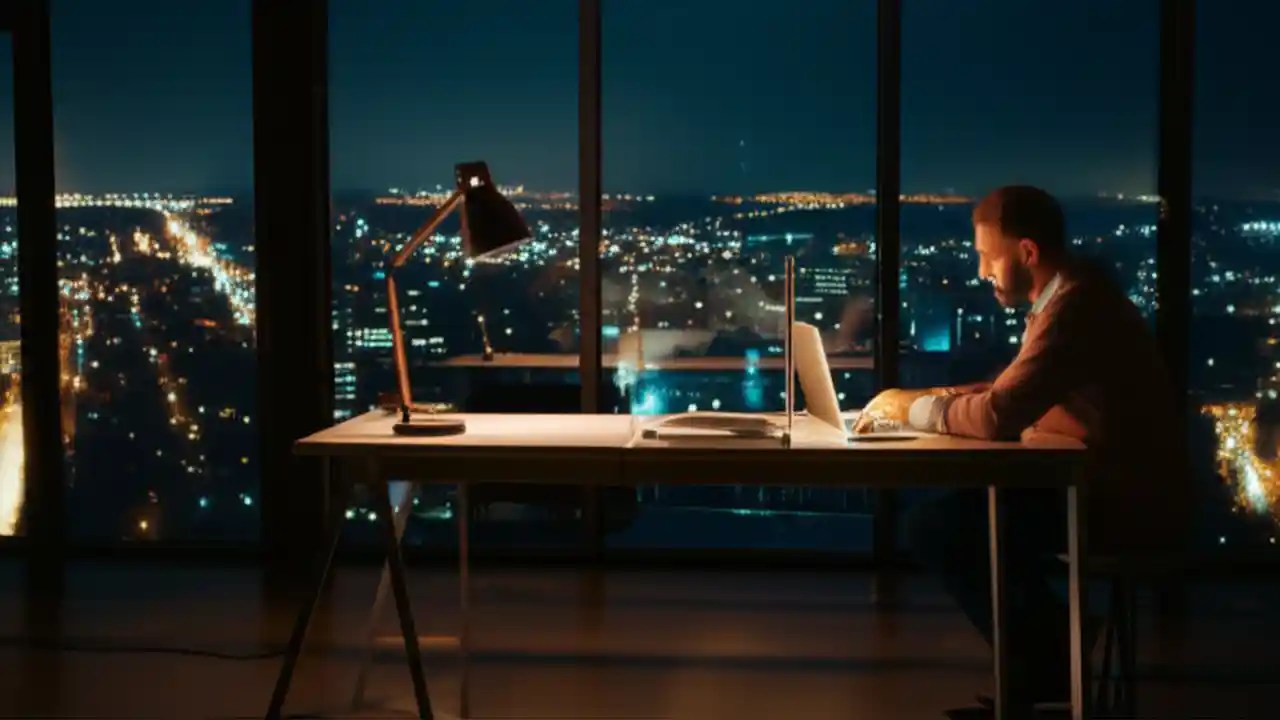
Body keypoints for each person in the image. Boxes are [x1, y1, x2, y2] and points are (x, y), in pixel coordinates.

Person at [854, 185, 1190, 718]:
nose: (981, 271)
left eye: (988, 257)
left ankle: (1052, 653)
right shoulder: (1071, 298)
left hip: (1118, 502)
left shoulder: (1074, 309)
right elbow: (1011, 391)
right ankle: (1045, 659)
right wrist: (919, 399)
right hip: (1103, 485)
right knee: (966, 516)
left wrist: (911, 408)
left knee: (938, 527)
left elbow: (998, 413)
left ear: (1027, 252)